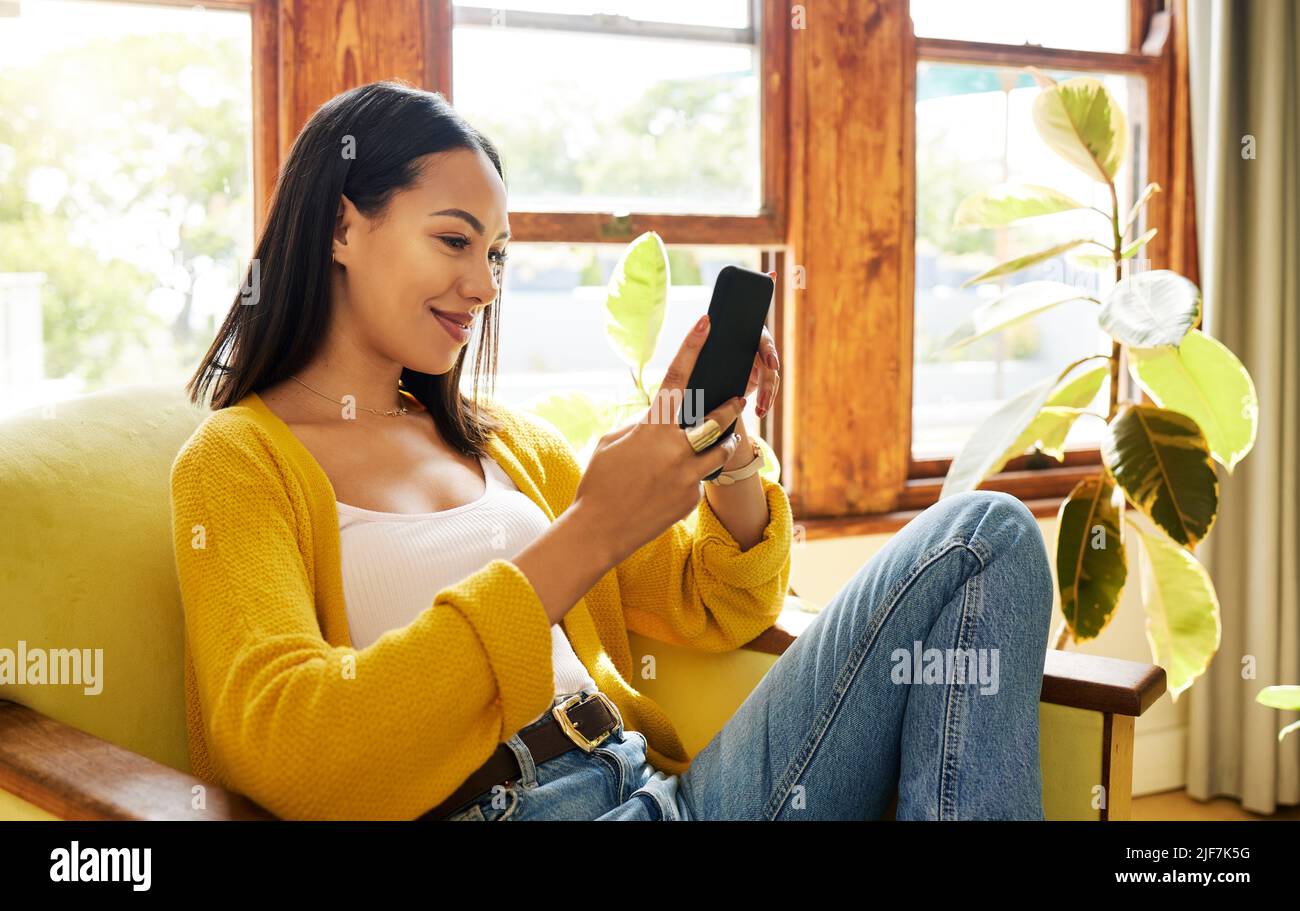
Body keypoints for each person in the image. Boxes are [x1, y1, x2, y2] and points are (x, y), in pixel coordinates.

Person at [170, 80, 1054, 822]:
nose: (482, 285)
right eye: (453, 240)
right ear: (340, 227)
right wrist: (587, 531)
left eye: (497, 255)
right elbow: (295, 746)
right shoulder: (240, 463)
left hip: (658, 793)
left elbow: (717, 606)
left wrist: (728, 459)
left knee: (985, 533)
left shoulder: (507, 444)